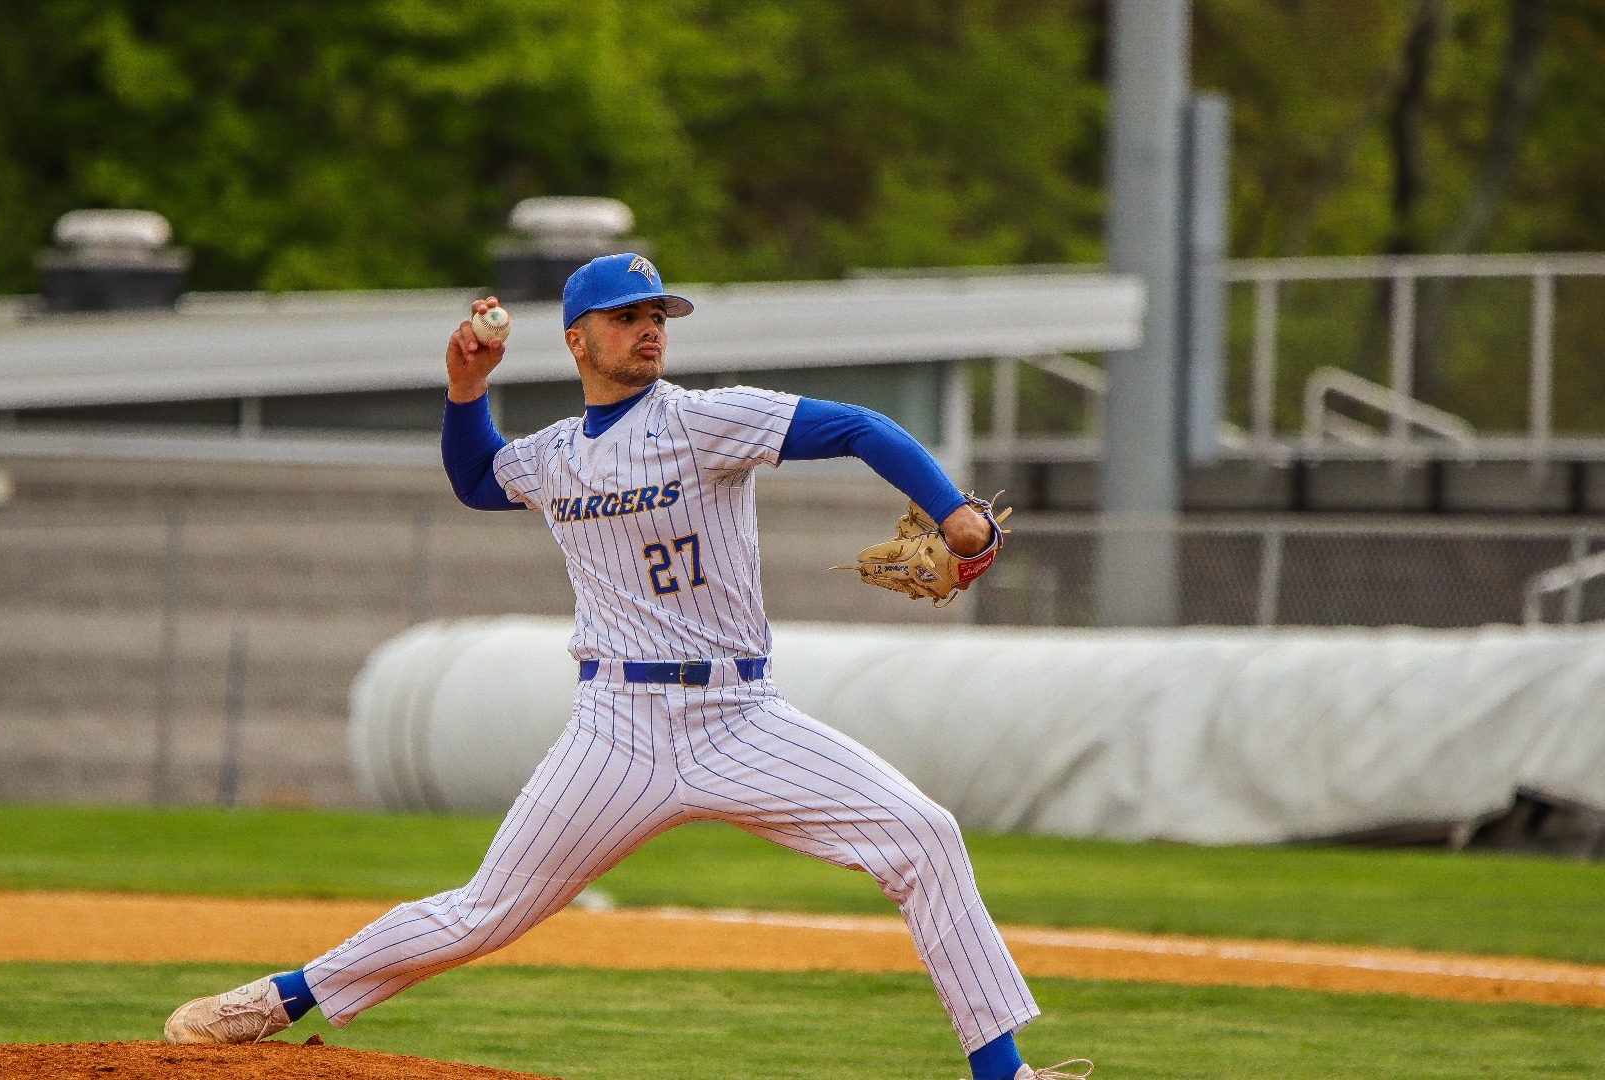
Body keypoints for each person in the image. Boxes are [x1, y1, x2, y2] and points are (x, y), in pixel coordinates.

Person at [164, 254, 1089, 1080]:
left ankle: (1005, 1076)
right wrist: (464, 391)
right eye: (628, 316)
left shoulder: (704, 421)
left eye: (659, 317)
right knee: (484, 912)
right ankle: (274, 1001)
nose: (649, 329)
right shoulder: (559, 455)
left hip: (741, 718)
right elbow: (480, 479)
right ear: (578, 339)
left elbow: (857, 426)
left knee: (924, 836)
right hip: (616, 729)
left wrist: (951, 506)